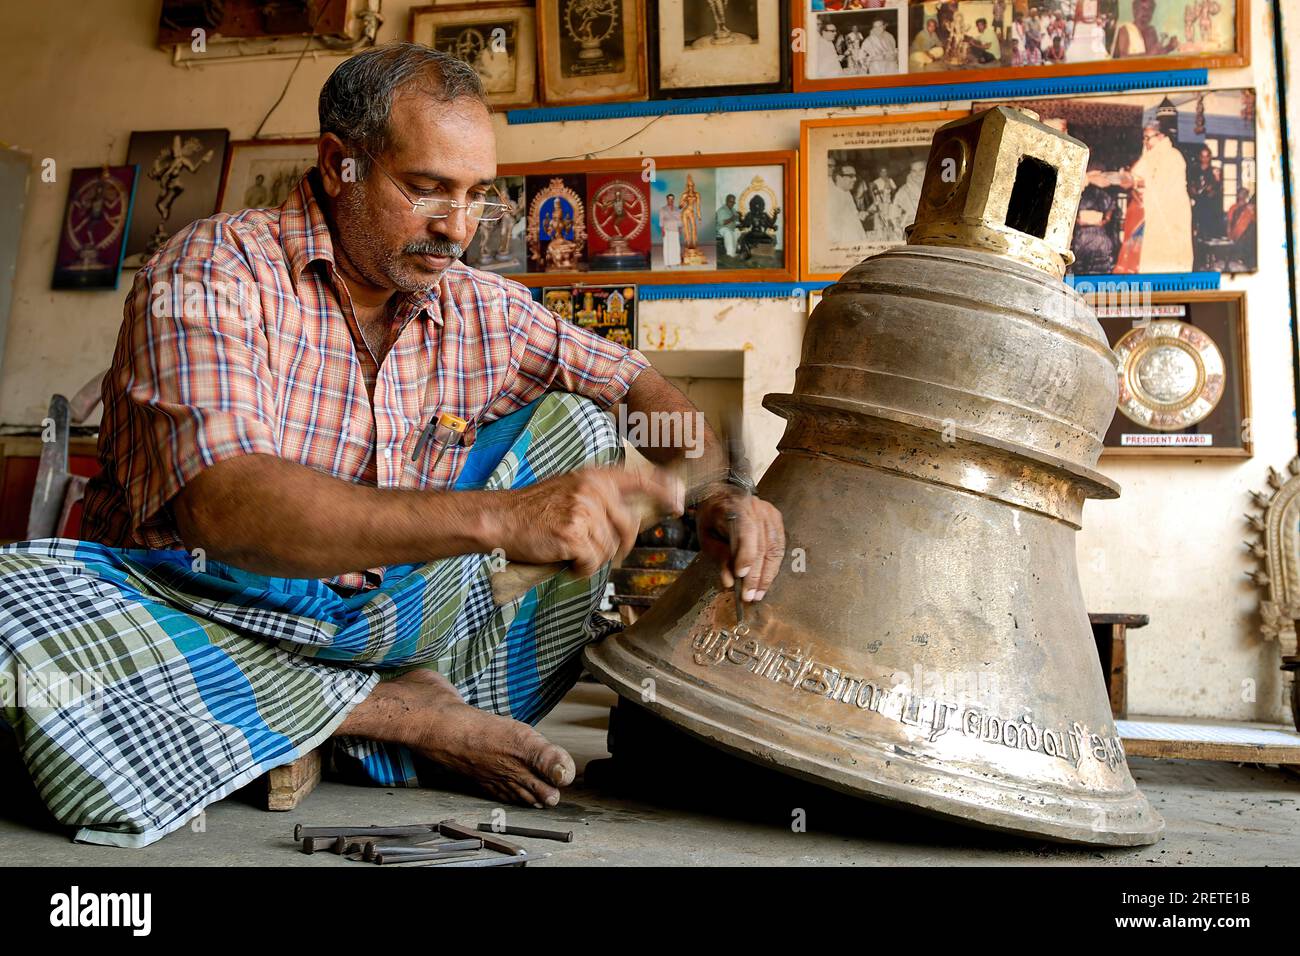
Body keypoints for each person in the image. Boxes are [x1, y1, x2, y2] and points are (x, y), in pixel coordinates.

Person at [0, 43, 785, 847]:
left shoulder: (484, 308)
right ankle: (386, 716)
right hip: (206, 610)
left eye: (478, 196)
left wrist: (718, 492)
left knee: (581, 427)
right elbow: (225, 505)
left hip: (385, 621)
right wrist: (499, 517)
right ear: (339, 164)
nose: (457, 229)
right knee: (11, 622)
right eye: (427, 189)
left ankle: (318, 711)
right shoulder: (210, 271)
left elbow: (635, 388)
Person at [1090, 122, 1193, 273]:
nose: (1145, 142)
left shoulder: (1173, 156)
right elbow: (1134, 177)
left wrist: (1136, 182)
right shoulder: (1149, 156)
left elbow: (1163, 186)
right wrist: (1118, 177)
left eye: (1147, 138)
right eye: (1143, 138)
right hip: (1148, 212)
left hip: (1170, 213)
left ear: (1161, 136)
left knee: (1169, 257)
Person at [1112, 0, 1179, 57]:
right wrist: (1148, 55)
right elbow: (1122, 59)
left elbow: (1156, 57)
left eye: (1150, 9)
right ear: (1134, 9)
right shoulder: (1125, 30)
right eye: (1143, 8)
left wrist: (1169, 47)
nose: (1146, 13)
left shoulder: (1151, 32)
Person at [830, 164, 869, 243]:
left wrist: (859, 214)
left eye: (855, 176)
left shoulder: (847, 193)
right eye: (851, 176)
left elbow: (852, 215)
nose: (855, 179)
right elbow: (832, 233)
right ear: (838, 178)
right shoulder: (831, 197)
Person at [660, 192, 683, 266]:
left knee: (676, 246)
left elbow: (680, 220)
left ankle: (676, 262)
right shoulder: (663, 209)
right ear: (667, 200)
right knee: (667, 247)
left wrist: (680, 228)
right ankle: (668, 263)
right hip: (667, 229)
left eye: (672, 199)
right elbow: (661, 220)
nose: (671, 201)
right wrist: (662, 230)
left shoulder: (677, 209)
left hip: (675, 229)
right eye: (669, 199)